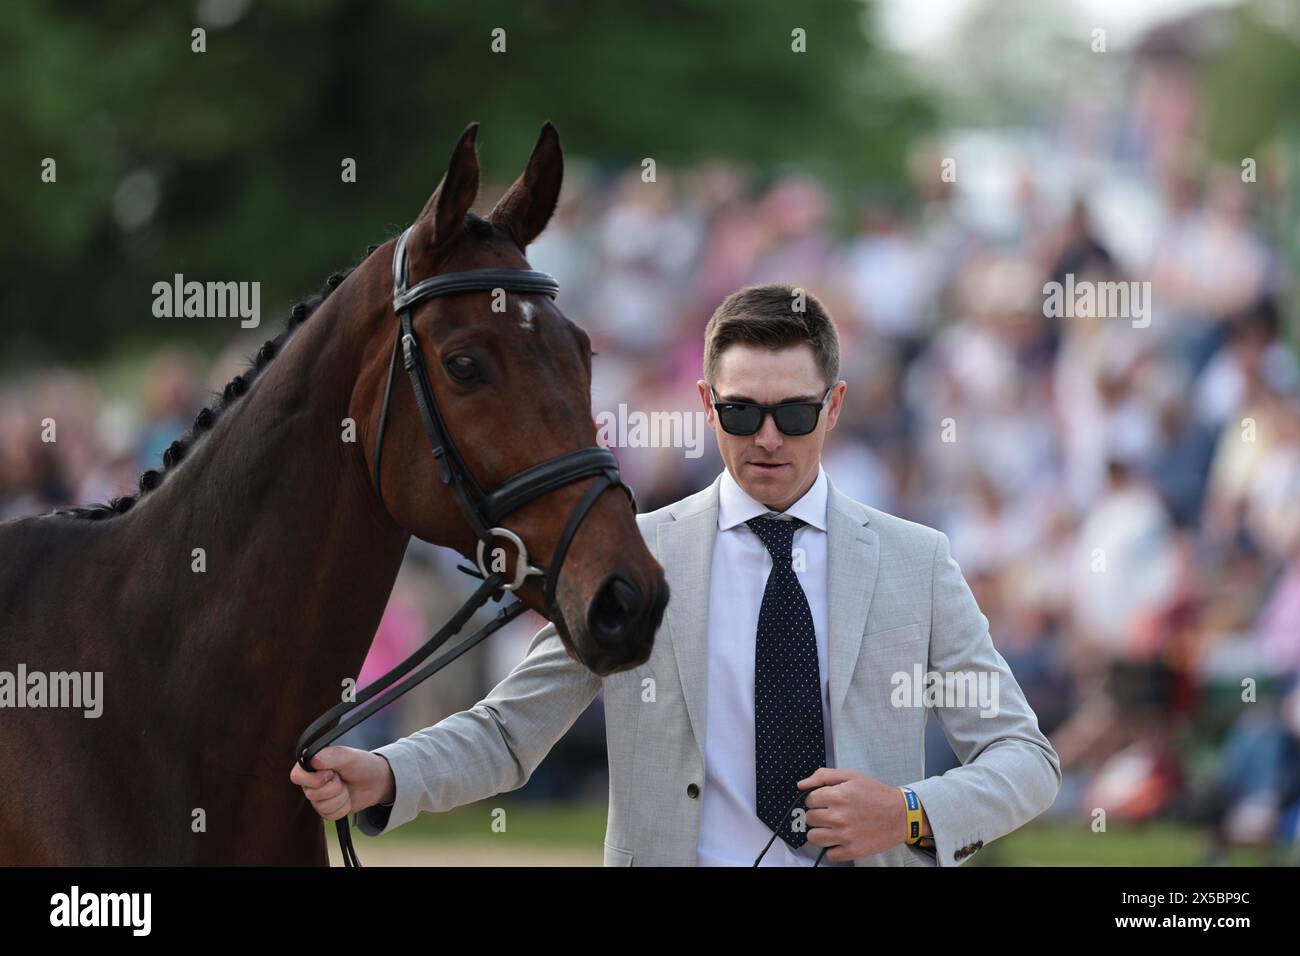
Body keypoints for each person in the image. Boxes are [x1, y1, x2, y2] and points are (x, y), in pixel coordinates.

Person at [290, 284, 1061, 866]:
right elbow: (507, 733)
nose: (766, 438)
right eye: (739, 413)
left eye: (793, 414)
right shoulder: (633, 560)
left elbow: (1026, 762)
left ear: (834, 407)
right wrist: (385, 773)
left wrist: (908, 813)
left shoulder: (915, 561)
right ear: (703, 403)